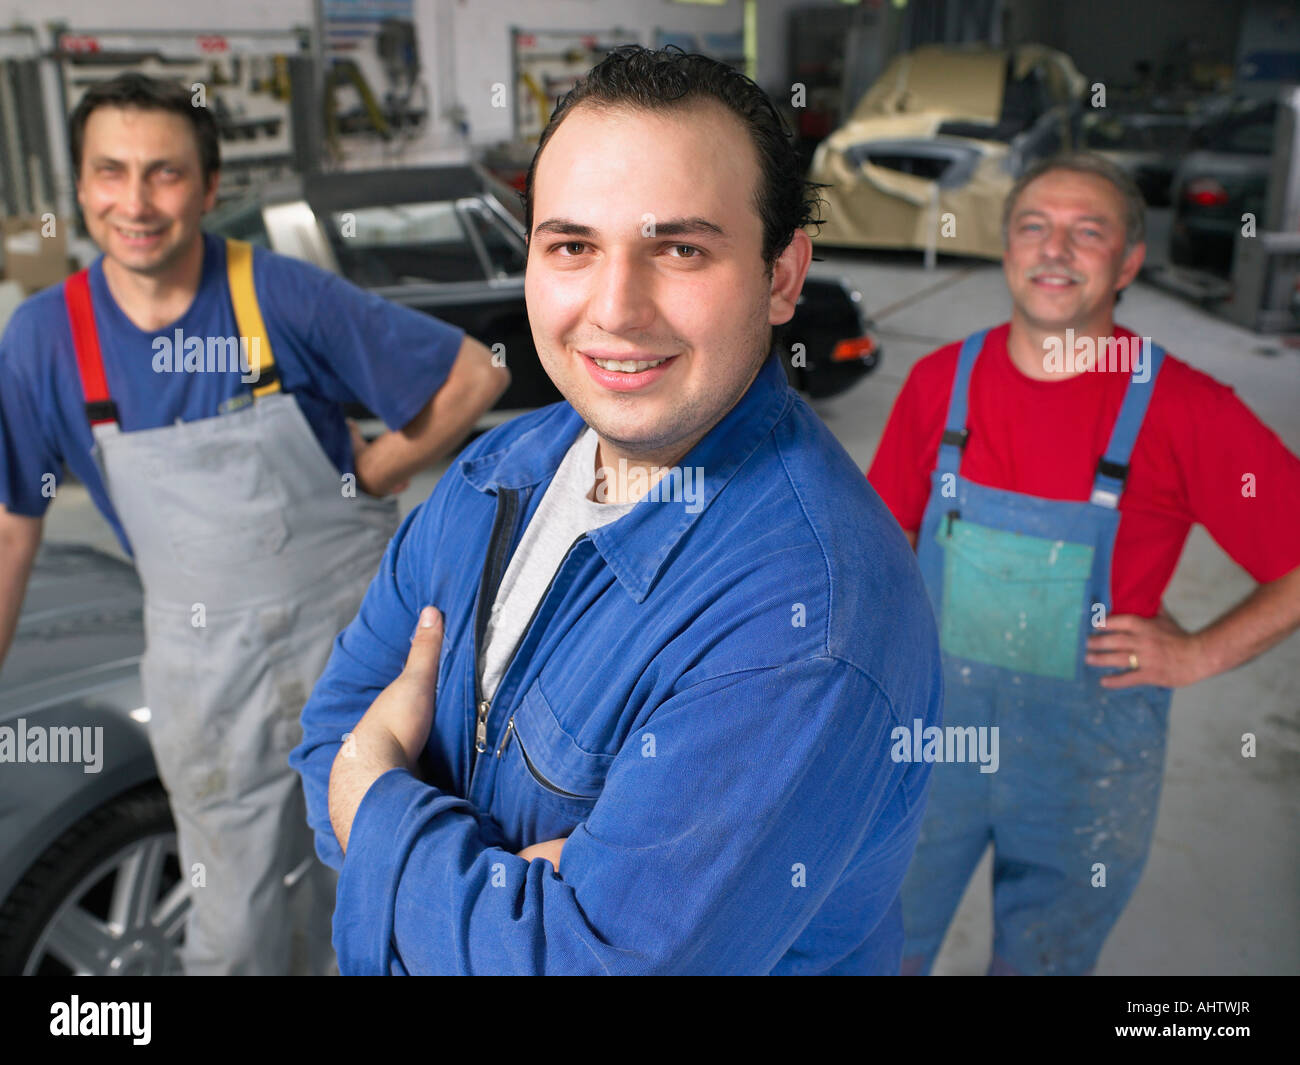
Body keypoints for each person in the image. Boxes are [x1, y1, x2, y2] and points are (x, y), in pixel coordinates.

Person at [290, 45, 942, 975]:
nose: (616, 307)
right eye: (572, 246)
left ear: (782, 276)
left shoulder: (809, 619)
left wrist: (375, 797)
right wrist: (504, 895)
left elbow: (585, 965)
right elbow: (329, 731)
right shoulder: (498, 468)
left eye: (680, 249)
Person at [0, 73, 509, 975]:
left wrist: (372, 470)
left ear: (206, 186)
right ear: (78, 187)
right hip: (205, 675)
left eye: (163, 174)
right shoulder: (46, 340)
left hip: (354, 646)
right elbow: (11, 530)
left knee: (365, 890)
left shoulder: (277, 297)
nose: (135, 202)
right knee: (232, 922)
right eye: (109, 173)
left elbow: (475, 374)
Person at [867, 151, 1300, 975]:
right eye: (1034, 226)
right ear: (1008, 250)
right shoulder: (937, 385)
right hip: (933, 748)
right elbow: (885, 554)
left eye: (1087, 231)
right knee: (880, 944)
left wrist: (1202, 650)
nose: (1054, 249)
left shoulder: (1185, 409)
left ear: (1129, 261)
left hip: (1081, 769)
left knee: (1045, 961)